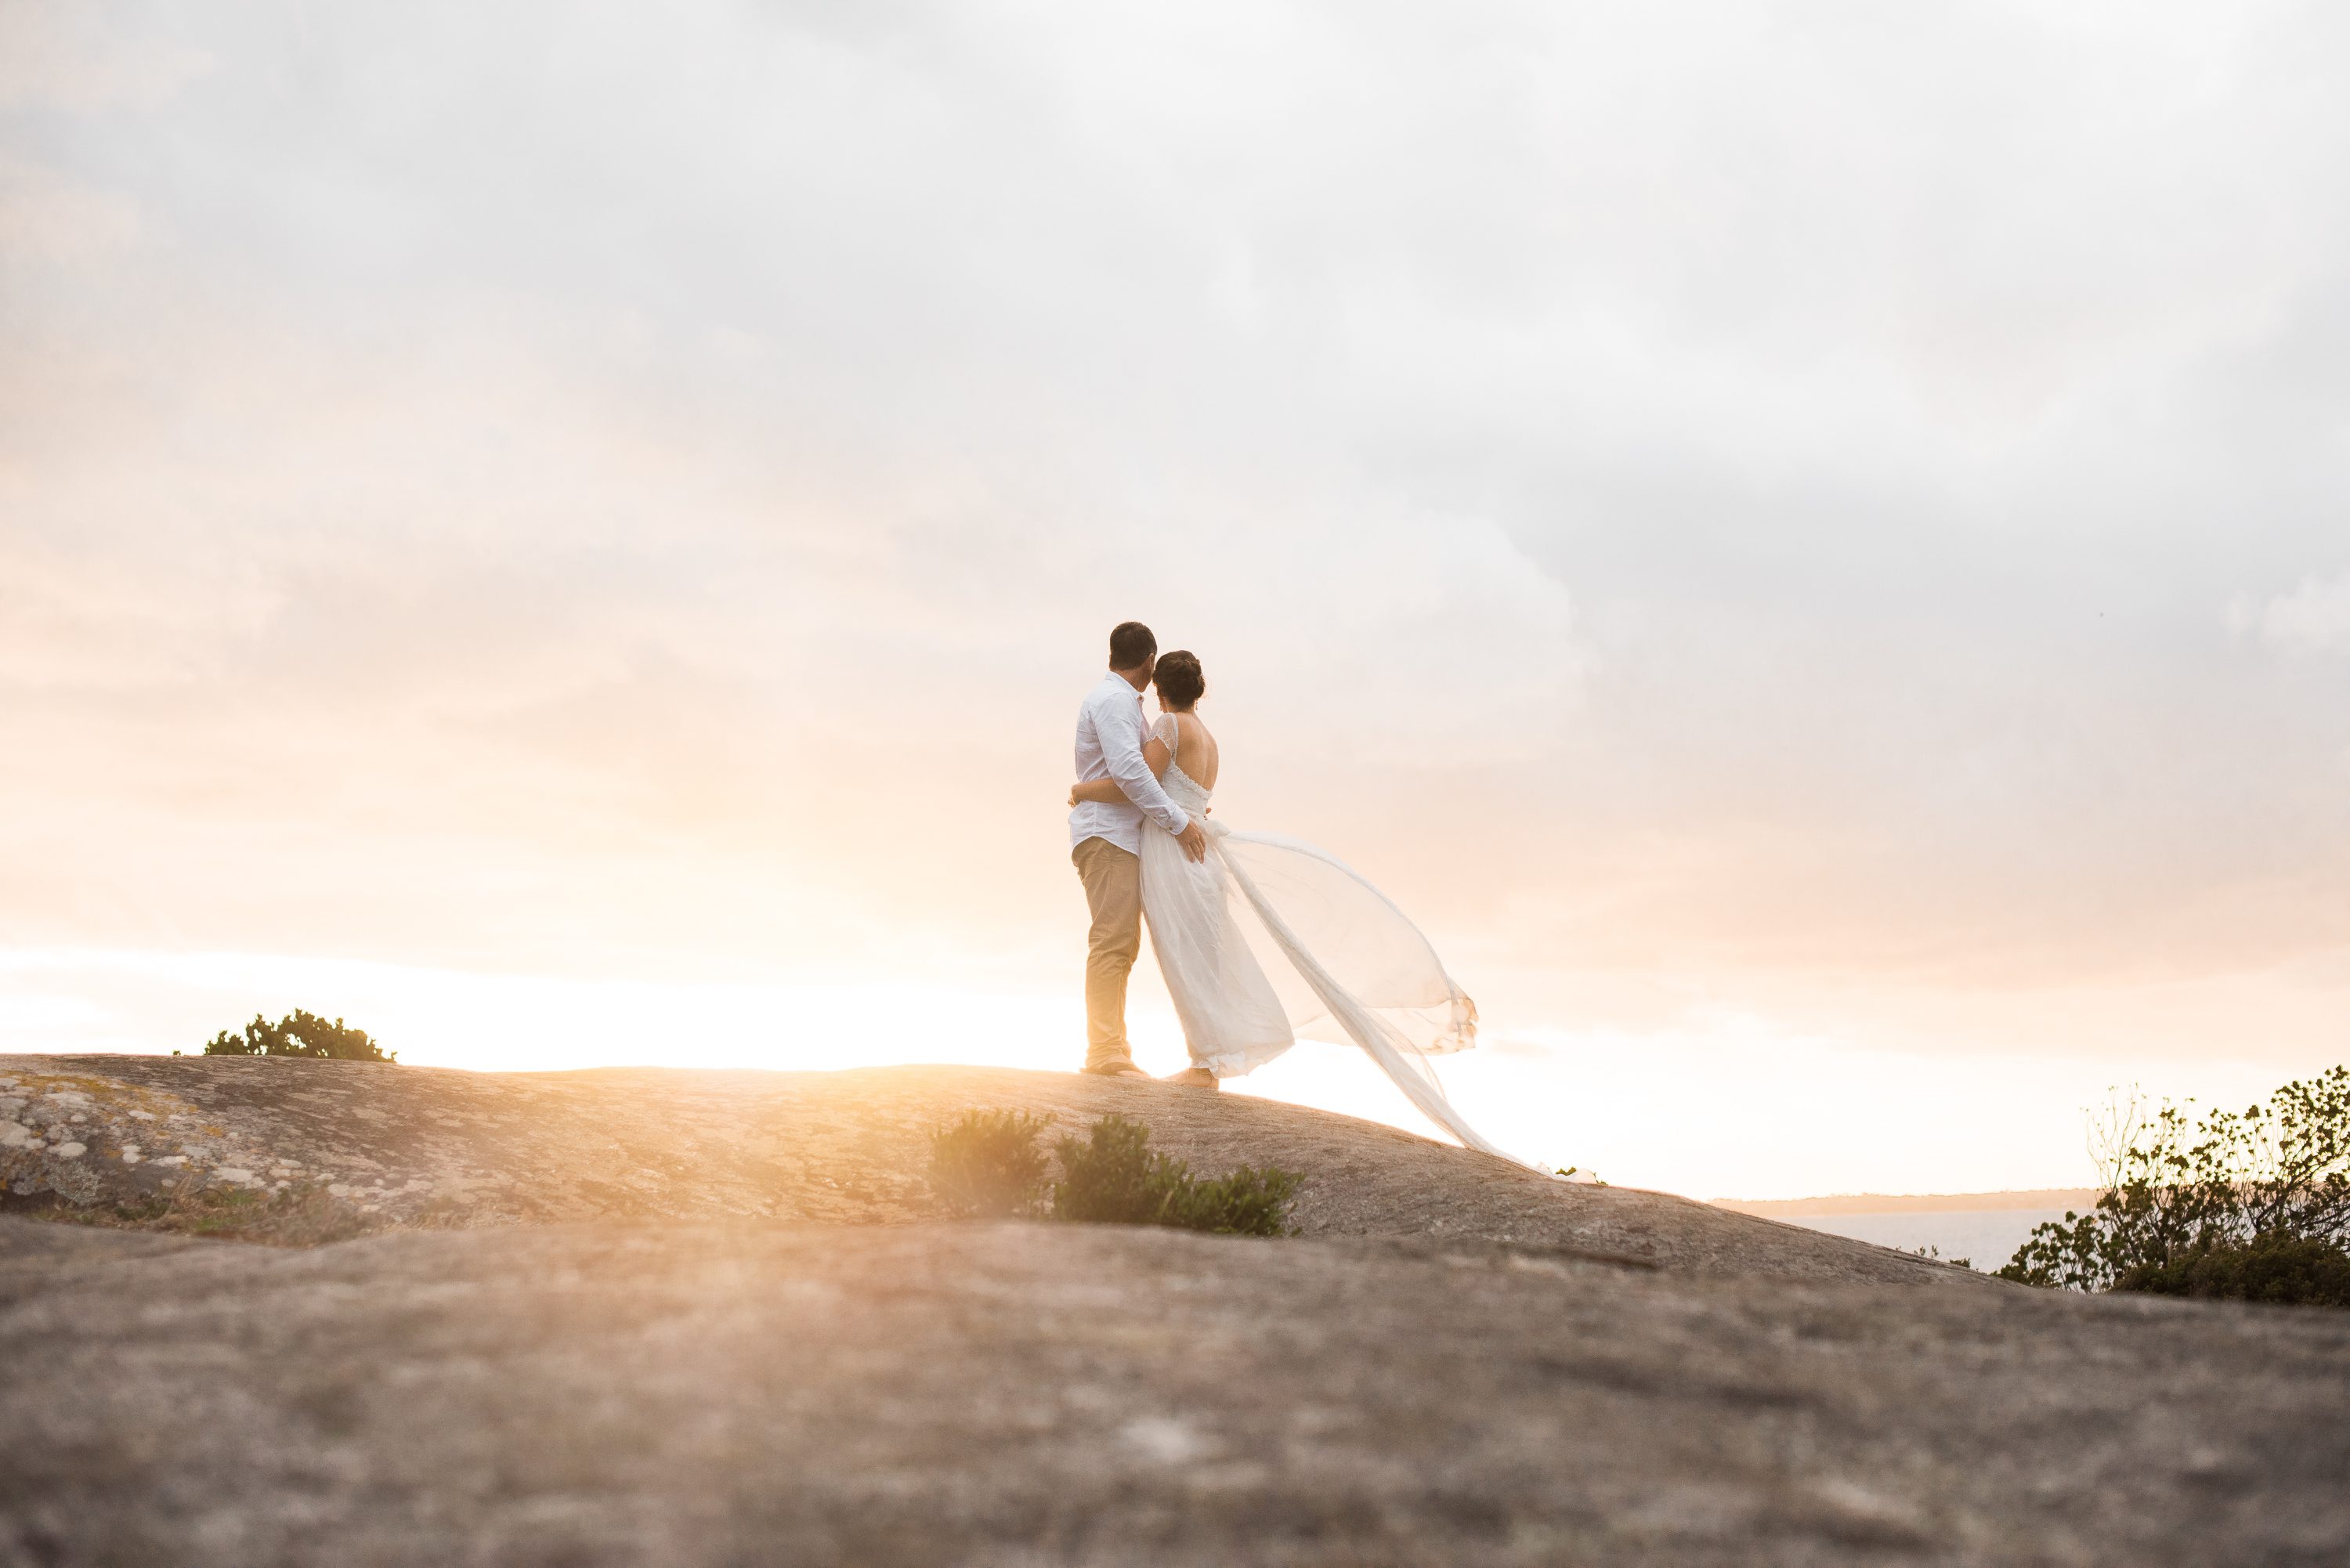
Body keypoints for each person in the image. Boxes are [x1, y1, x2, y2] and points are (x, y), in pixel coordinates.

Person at [1068, 641, 1527, 1165]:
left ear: (1161, 690)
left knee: (1185, 957)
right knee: (1202, 956)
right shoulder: (1208, 736)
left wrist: (1083, 790)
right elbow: (1186, 794)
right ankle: (1208, 1061)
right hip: (1200, 856)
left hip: (1178, 854)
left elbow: (1137, 784)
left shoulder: (1170, 727)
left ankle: (1206, 1063)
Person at [1068, 621, 1206, 1078]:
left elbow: (1140, 774)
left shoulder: (1123, 702)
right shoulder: (1115, 701)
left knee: (1122, 943)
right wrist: (1179, 820)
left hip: (1118, 834)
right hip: (1107, 834)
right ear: (1149, 660)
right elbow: (1130, 772)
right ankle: (1105, 1053)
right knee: (1113, 940)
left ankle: (1113, 1048)